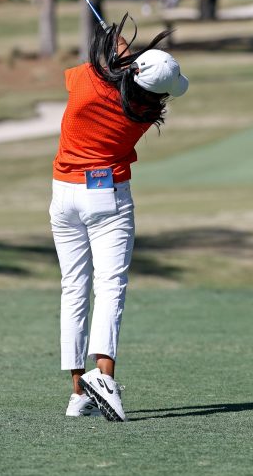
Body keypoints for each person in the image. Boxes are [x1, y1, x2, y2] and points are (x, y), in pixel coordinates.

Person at [49, 22, 188, 421]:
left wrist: (111, 36)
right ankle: (104, 378)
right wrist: (118, 53)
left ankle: (79, 392)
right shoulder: (145, 111)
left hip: (64, 196)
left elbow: (107, 53)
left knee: (73, 289)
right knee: (110, 287)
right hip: (108, 198)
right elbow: (123, 69)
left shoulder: (88, 81)